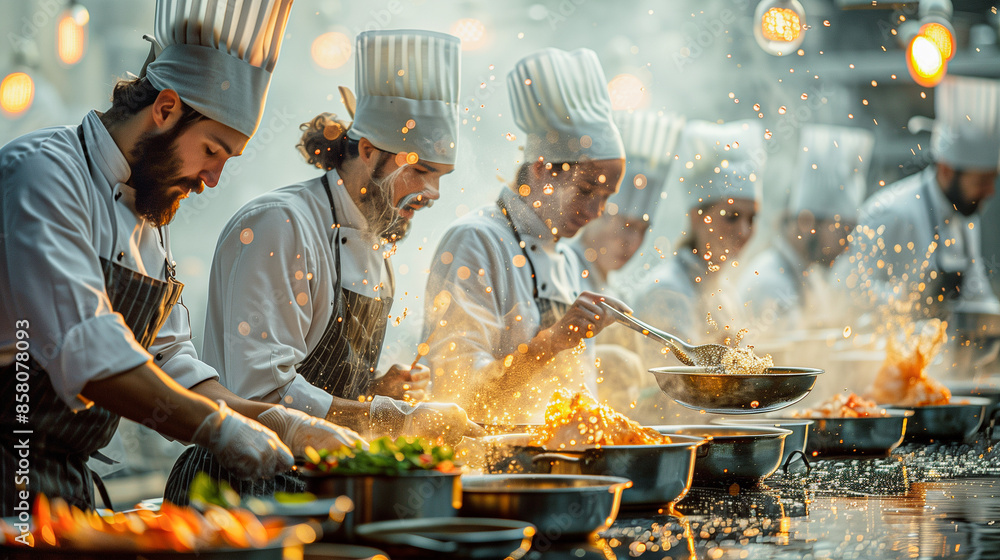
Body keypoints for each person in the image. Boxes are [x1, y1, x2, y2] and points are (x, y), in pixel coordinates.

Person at [0, 0, 363, 515]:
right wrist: (212, 427)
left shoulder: (148, 214)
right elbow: (89, 350)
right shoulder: (40, 174)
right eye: (211, 151)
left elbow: (172, 364)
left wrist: (279, 420)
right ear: (165, 109)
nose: (212, 179)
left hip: (62, 490)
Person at [163, 30, 481, 504]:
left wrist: (373, 387)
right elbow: (264, 396)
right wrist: (391, 417)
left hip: (323, 483)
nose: (432, 193)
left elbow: (317, 382)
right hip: (241, 487)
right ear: (369, 149)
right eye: (420, 170)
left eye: (439, 177)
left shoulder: (377, 240)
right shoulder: (280, 225)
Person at [422, 48, 630, 424]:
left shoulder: (566, 259)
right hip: (491, 466)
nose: (595, 212)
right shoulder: (476, 240)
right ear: (540, 171)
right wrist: (551, 342)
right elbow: (458, 394)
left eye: (606, 198)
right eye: (585, 190)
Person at [835, 75, 1000, 325]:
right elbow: (847, 292)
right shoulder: (890, 212)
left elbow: (976, 295)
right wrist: (910, 301)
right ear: (946, 170)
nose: (990, 192)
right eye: (981, 182)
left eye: (992, 180)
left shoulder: (965, 218)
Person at [566, 110, 684, 413]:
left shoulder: (615, 289)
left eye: (641, 230)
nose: (630, 242)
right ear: (596, 212)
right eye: (623, 225)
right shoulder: (563, 274)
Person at [636, 120, 765, 350]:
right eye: (731, 216)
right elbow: (674, 383)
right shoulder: (667, 291)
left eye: (752, 218)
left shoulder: (724, 291)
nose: (744, 231)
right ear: (697, 217)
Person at [738, 124, 874, 337]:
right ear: (806, 222)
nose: (848, 246)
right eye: (844, 231)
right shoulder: (770, 281)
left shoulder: (811, 277)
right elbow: (788, 361)